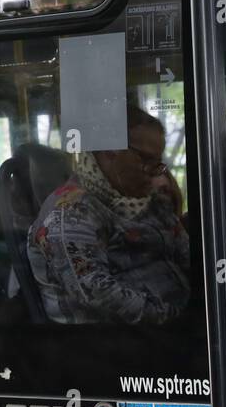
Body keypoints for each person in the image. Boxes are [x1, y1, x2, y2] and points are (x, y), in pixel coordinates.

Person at [27, 105, 191, 324]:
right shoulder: (68, 215)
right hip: (114, 343)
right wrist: (176, 318)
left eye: (157, 163)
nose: (154, 173)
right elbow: (99, 297)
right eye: (146, 160)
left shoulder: (150, 202)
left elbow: (186, 254)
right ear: (110, 150)